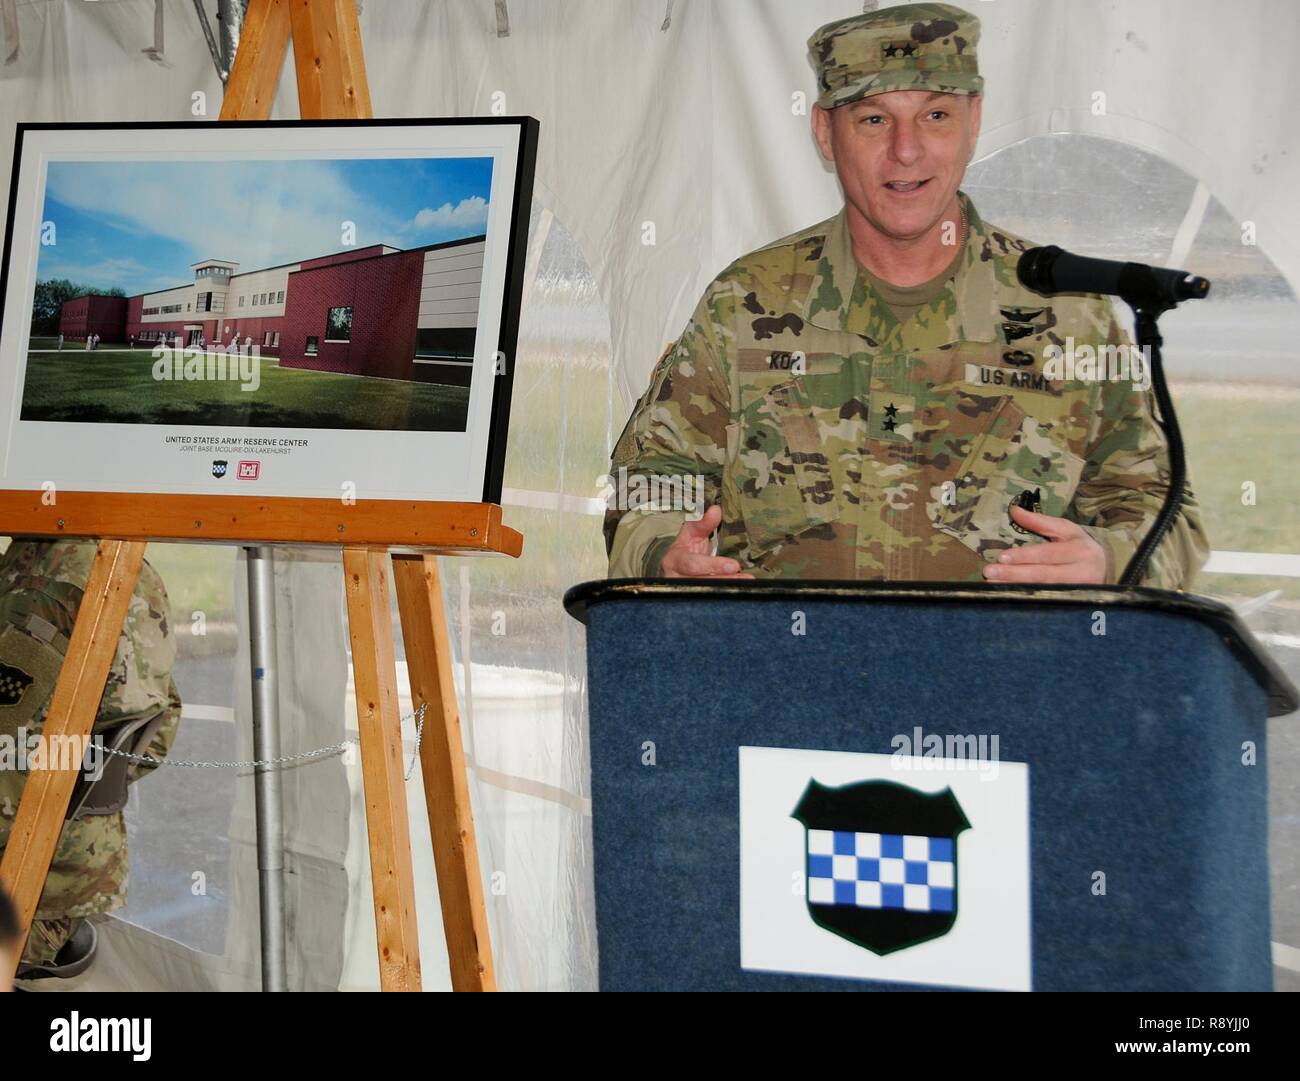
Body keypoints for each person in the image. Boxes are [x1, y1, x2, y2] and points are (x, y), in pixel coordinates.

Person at [604, 3, 1208, 588]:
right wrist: (663, 552)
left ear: (974, 121)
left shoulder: (1069, 314)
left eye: (936, 116)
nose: (906, 151)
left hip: (1007, 681)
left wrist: (1109, 558)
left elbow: (1162, 503)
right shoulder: (745, 304)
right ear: (824, 131)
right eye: (873, 119)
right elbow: (655, 476)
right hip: (790, 677)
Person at [0, 540, 181, 980]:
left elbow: (136, 731)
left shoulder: (108, 567)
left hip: (44, 867)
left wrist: (45, 789)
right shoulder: (26, 550)